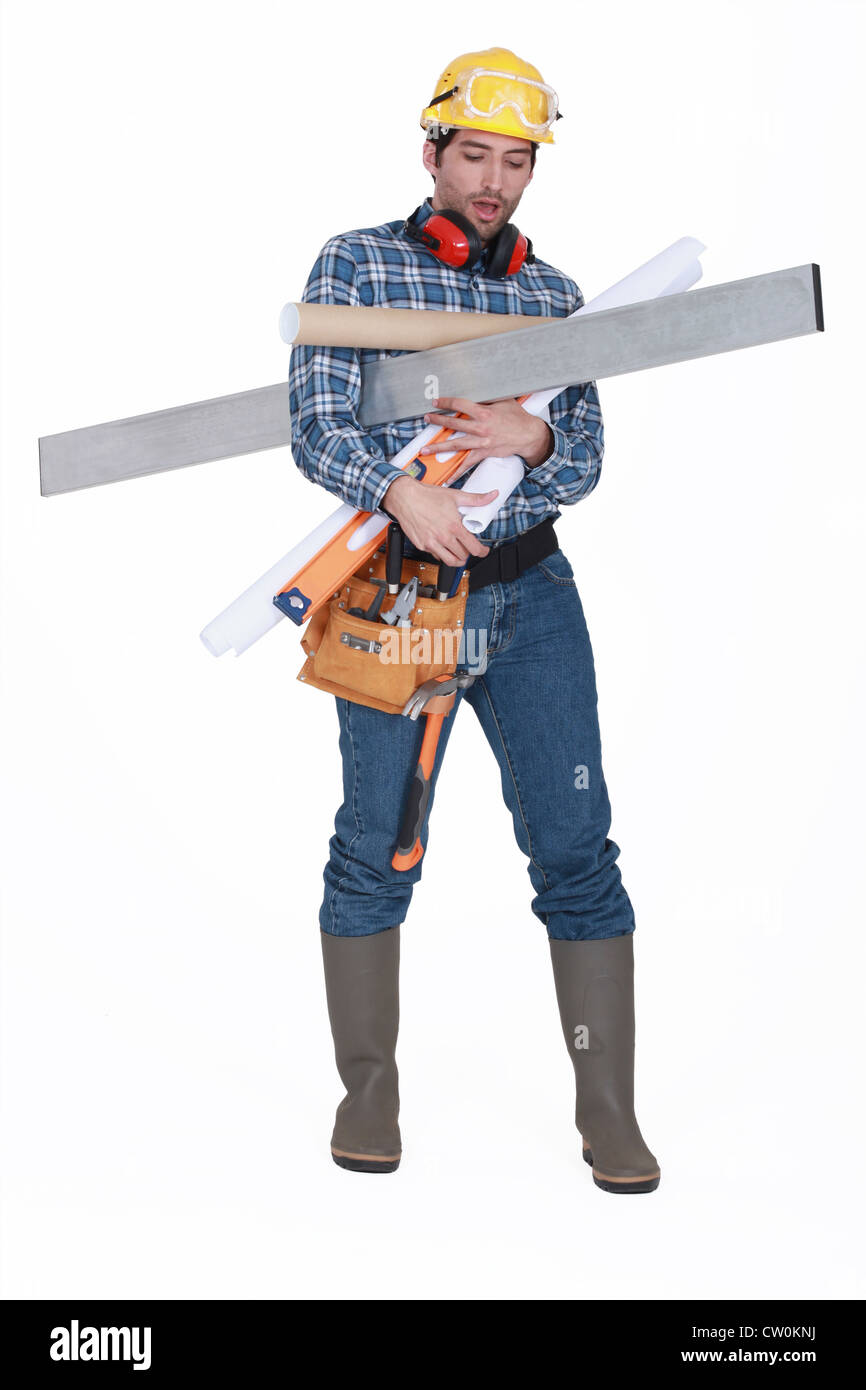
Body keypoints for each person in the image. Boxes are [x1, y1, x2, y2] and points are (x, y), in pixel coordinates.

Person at [288, 47, 660, 1193]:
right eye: (473, 156)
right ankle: (369, 1092)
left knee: (575, 851)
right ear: (431, 152)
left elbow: (585, 455)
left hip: (531, 597)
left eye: (515, 161)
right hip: (397, 596)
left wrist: (530, 440)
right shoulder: (354, 264)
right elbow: (314, 423)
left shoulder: (554, 297)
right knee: (374, 850)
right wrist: (400, 491)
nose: (493, 182)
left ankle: (607, 1111)